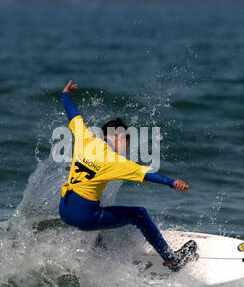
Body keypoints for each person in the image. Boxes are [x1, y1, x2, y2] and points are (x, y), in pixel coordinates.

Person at [56, 79, 197, 271]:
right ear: (119, 137)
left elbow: (74, 115)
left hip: (64, 210)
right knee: (139, 214)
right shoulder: (113, 160)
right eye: (127, 145)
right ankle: (172, 259)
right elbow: (148, 173)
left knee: (102, 203)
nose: (125, 151)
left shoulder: (85, 139)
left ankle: (99, 246)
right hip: (84, 218)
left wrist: (65, 95)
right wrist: (173, 183)